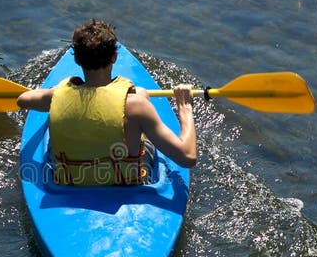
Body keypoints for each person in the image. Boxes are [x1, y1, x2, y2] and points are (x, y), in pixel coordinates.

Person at [17, 19, 197, 186]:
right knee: (141, 96)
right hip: (124, 183)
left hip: (71, 181)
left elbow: (22, 100)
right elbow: (187, 158)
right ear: (114, 57)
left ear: (78, 59)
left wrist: (57, 91)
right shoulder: (136, 106)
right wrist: (185, 107)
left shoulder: (56, 95)